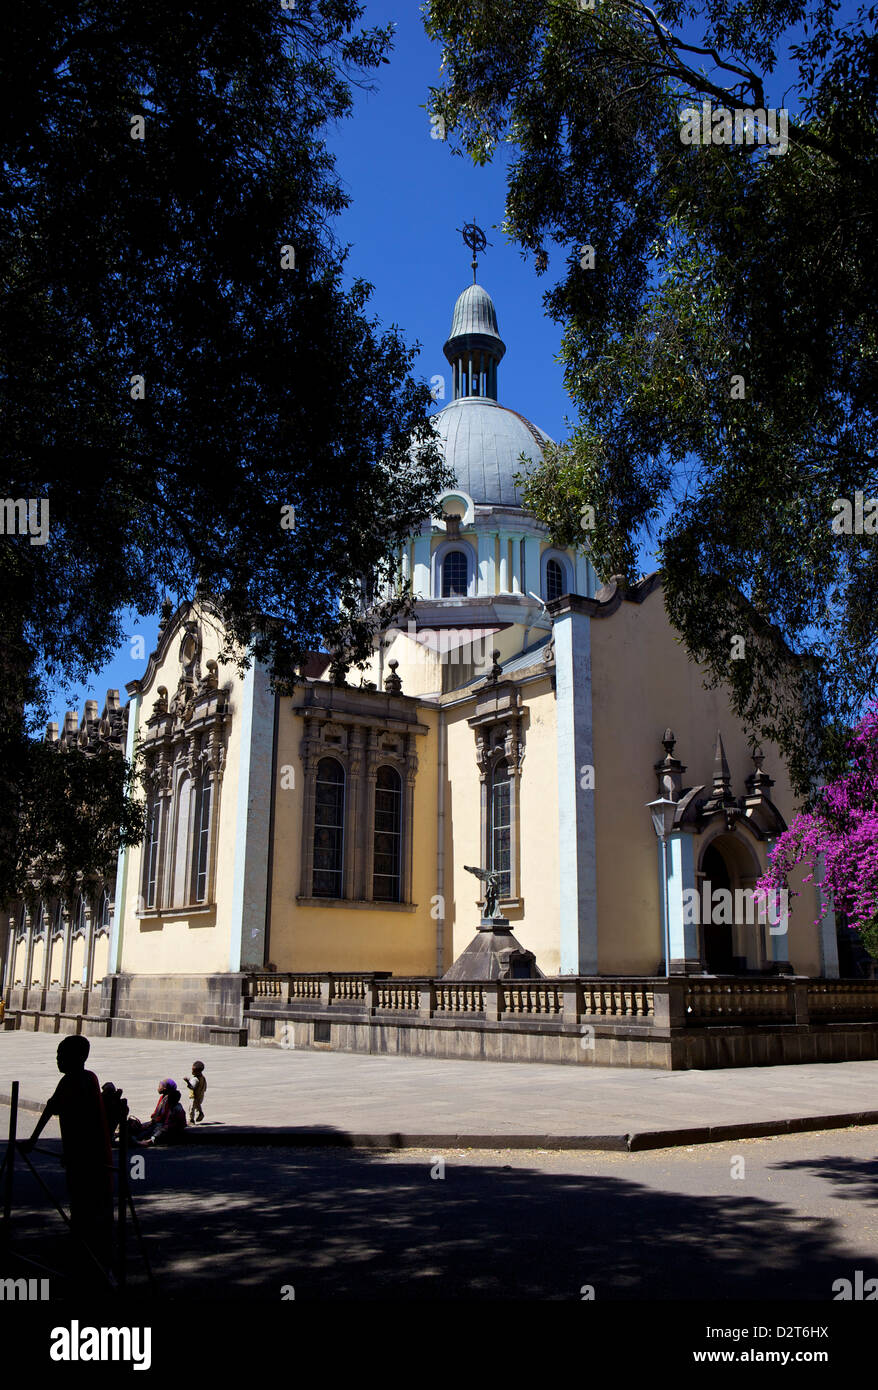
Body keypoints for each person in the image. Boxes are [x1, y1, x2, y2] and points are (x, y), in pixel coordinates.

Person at [18, 1035, 114, 1269]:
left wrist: (33, 1140)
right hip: (86, 1154)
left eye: (62, 1055)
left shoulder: (77, 1081)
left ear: (79, 1058)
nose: (58, 1059)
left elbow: (76, 1118)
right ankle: (90, 1245)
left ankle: (88, 1251)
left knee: (85, 1199)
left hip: (86, 1156)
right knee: (88, 1200)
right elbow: (54, 1107)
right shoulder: (85, 1079)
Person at [128, 1079, 187, 1145]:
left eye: (159, 1086)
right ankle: (137, 1138)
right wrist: (152, 1121)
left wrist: (165, 1125)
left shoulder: (174, 1104)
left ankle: (148, 1141)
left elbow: (177, 1122)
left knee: (158, 1131)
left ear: (165, 1088)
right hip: (160, 1123)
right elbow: (157, 1113)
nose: (158, 1088)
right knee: (144, 1127)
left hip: (168, 1126)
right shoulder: (163, 1097)